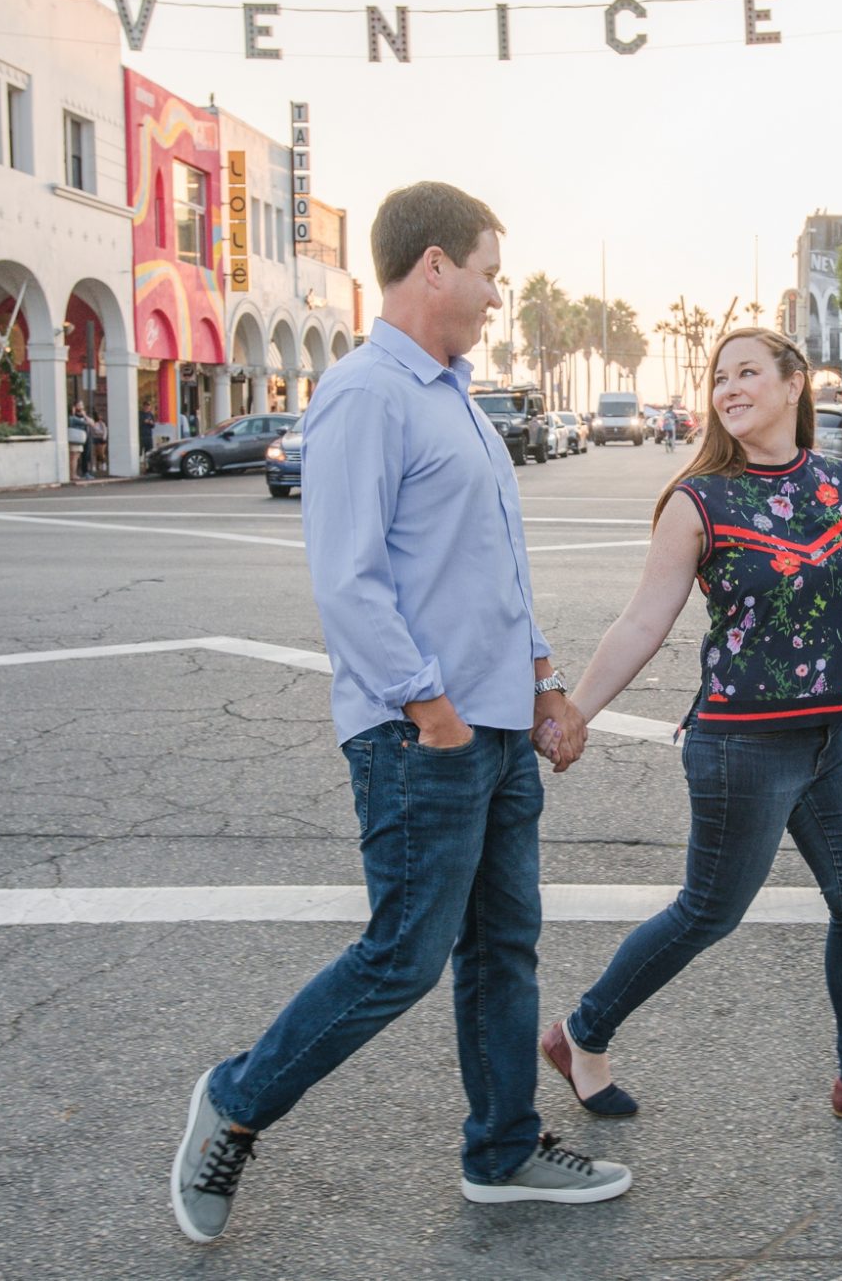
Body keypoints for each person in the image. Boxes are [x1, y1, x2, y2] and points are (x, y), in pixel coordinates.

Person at [170, 182, 630, 1247]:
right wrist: (431, 710)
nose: (493, 294)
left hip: (497, 726)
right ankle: (234, 1102)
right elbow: (348, 580)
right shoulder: (366, 393)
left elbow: (488, 571)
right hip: (423, 735)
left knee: (502, 945)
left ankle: (503, 1150)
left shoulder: (454, 395)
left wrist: (544, 680)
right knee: (401, 958)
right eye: (486, 272)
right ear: (433, 266)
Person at [541, 327, 842, 1137]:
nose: (729, 389)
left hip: (831, 738)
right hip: (741, 744)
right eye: (719, 378)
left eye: (747, 374)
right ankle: (581, 1035)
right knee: (708, 912)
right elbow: (643, 621)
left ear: (795, 383)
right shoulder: (698, 500)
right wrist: (575, 713)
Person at [66, 400, 89, 483]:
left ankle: (72, 474)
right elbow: (89, 423)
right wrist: (84, 415)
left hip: (75, 438)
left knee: (74, 457)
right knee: (74, 457)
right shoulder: (73, 418)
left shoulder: (70, 418)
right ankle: (73, 474)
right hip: (76, 439)